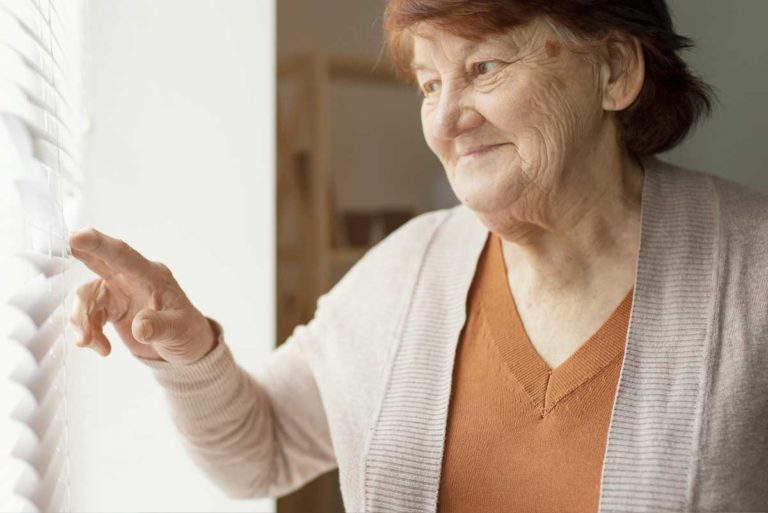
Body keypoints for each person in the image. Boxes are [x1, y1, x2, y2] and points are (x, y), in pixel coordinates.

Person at [68, 1, 768, 512]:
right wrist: (188, 351)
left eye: (483, 67)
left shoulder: (752, 268)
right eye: (430, 84)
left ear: (614, 71)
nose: (445, 117)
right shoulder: (405, 271)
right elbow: (262, 447)